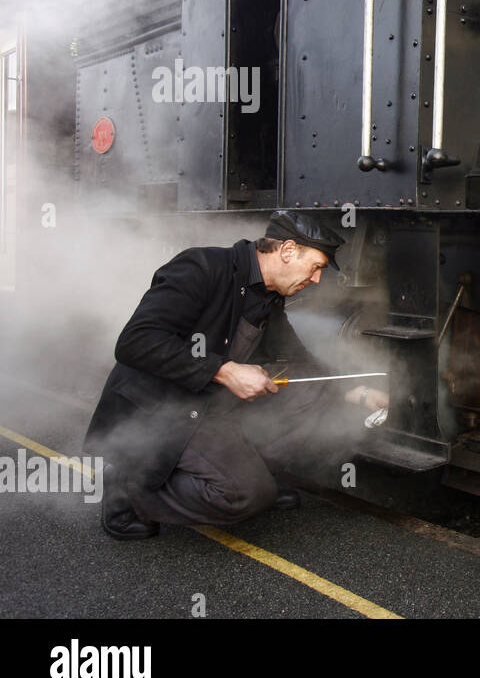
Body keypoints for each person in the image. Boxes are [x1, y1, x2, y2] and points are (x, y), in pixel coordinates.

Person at [84, 210, 387, 539]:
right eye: (315, 267)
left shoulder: (268, 298)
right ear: (287, 251)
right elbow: (136, 342)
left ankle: (254, 474)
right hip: (166, 409)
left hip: (211, 404)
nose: (315, 279)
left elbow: (297, 358)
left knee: (310, 392)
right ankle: (130, 489)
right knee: (247, 497)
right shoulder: (201, 267)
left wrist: (353, 390)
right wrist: (225, 371)